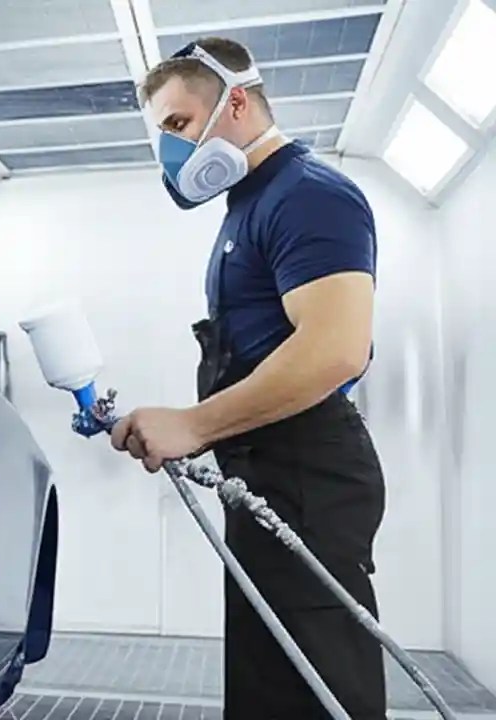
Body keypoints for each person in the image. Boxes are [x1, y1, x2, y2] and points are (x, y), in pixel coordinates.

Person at [108, 38, 387, 718]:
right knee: (270, 683)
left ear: (235, 101)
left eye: (177, 124)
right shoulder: (249, 206)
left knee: (314, 689)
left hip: (306, 477)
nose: (170, 151)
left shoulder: (309, 194)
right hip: (267, 474)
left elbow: (336, 349)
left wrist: (193, 425)